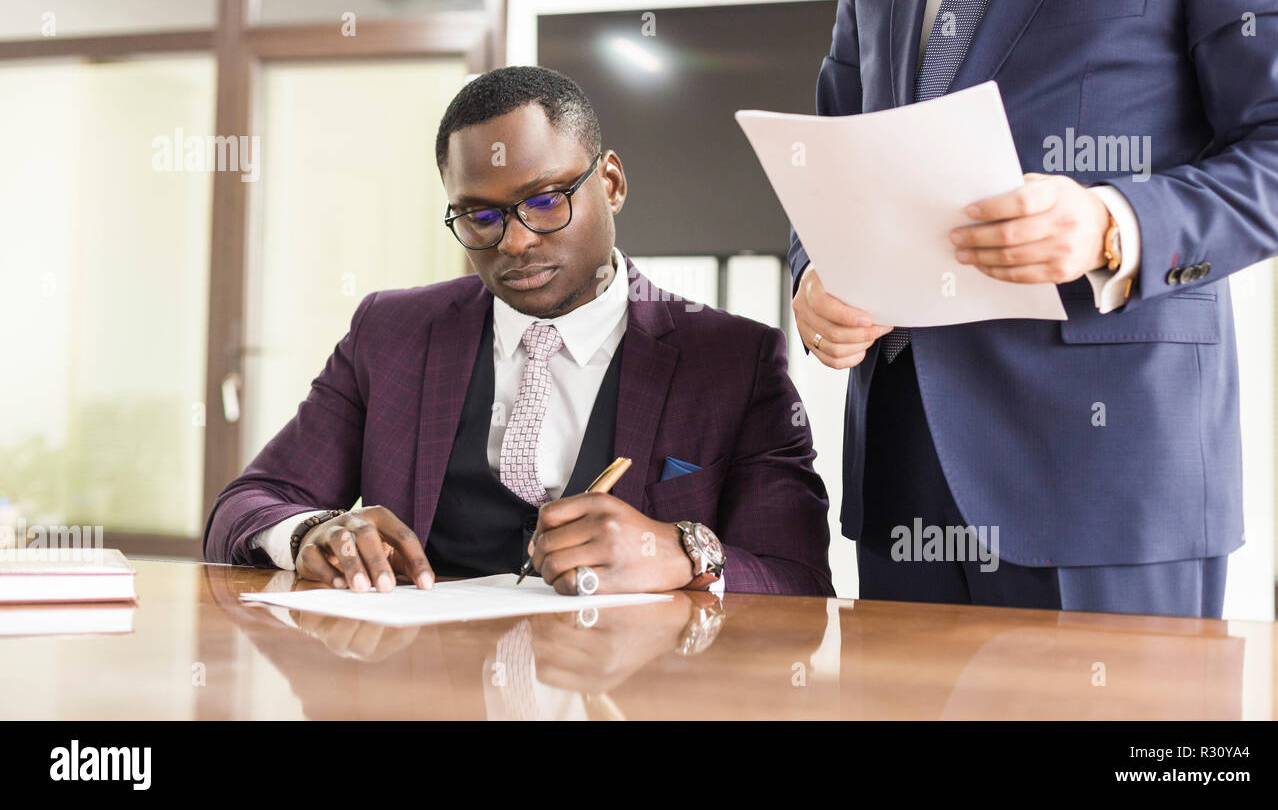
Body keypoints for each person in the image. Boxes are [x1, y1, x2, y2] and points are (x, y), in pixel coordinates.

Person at [790, 0, 1278, 616]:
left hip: (1109, 484)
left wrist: (1114, 226)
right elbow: (832, 149)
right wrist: (812, 273)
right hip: (904, 476)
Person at [206, 66, 833, 598]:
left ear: (610, 183)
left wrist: (687, 553)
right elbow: (248, 503)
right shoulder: (390, 333)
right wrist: (310, 531)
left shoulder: (731, 359)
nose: (516, 241)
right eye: (480, 215)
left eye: (544, 200)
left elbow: (799, 578)